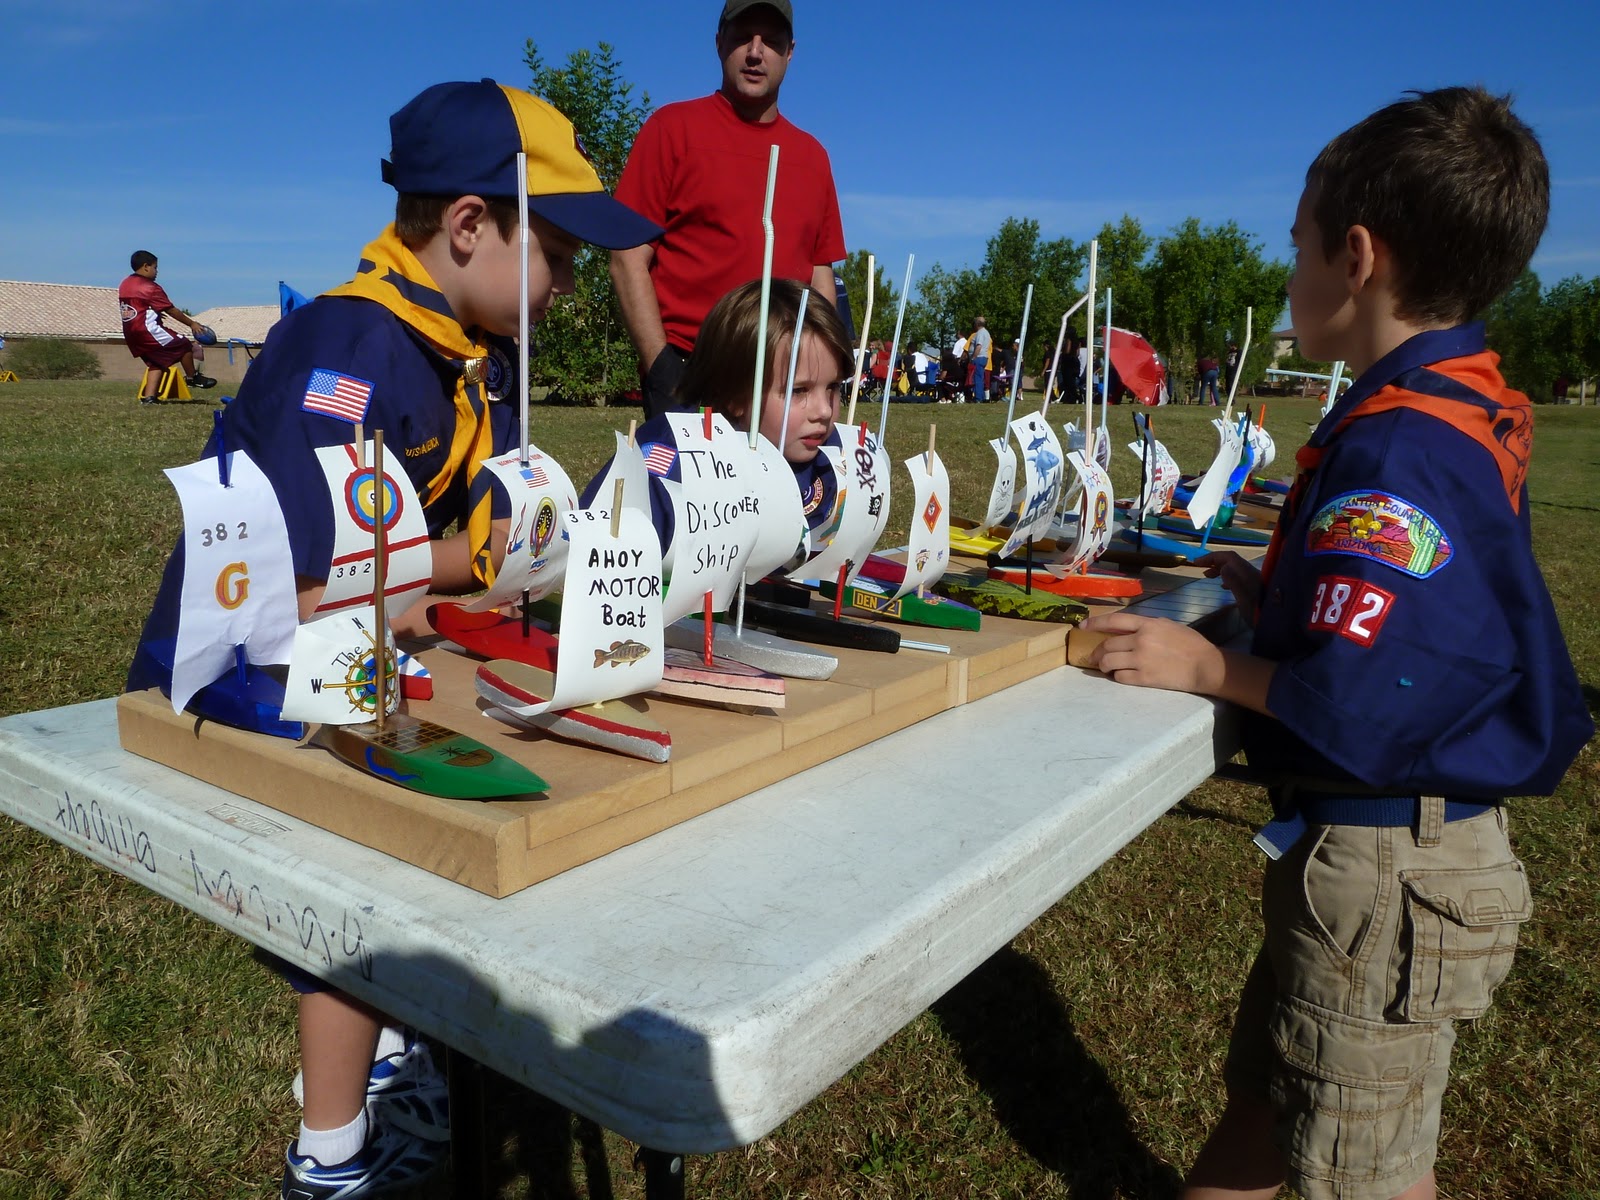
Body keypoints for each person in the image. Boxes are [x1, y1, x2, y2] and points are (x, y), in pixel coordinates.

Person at [125, 79, 660, 1199]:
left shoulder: (468, 343)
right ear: (469, 226)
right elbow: (316, 591)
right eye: (556, 251)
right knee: (379, 875)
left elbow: (445, 536)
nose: (569, 285)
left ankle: (405, 1052)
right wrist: (481, 561)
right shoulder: (352, 352)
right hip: (250, 682)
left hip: (369, 656)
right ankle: (332, 1155)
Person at [1079, 86, 1592, 1200]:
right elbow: (1411, 606)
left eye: (1296, 247)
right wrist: (1273, 589)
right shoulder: (1437, 399)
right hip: (1365, 872)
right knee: (1271, 1110)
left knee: (1360, 1170)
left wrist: (1213, 666)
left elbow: (1373, 696)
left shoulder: (1401, 444)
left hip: (1389, 875)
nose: (1289, 272)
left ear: (1354, 256)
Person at [611, 0, 847, 420]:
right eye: (742, 37)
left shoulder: (813, 157)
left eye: (770, 41)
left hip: (783, 382)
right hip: (690, 372)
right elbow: (628, 259)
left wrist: (824, 378)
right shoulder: (672, 130)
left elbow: (820, 279)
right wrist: (661, 366)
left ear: (789, 52)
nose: (756, 52)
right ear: (719, 43)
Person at [582, 278, 851, 546]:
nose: (824, 410)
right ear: (733, 393)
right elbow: (597, 551)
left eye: (833, 387)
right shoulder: (670, 463)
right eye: (799, 390)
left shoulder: (828, 461)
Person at [118, 250, 217, 399]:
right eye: (155, 267)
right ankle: (193, 378)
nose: (157, 271)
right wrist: (192, 323)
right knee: (184, 345)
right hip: (148, 331)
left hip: (131, 333)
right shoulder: (151, 287)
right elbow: (171, 310)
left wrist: (153, 311)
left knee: (156, 362)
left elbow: (137, 306)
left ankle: (149, 398)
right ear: (146, 267)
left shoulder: (125, 283)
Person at [967, 316, 992, 402]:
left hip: (979, 357)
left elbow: (979, 346)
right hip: (984, 357)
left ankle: (978, 398)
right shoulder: (986, 333)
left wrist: (973, 357)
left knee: (977, 378)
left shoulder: (980, 333)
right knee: (980, 378)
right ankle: (981, 396)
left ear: (977, 324)